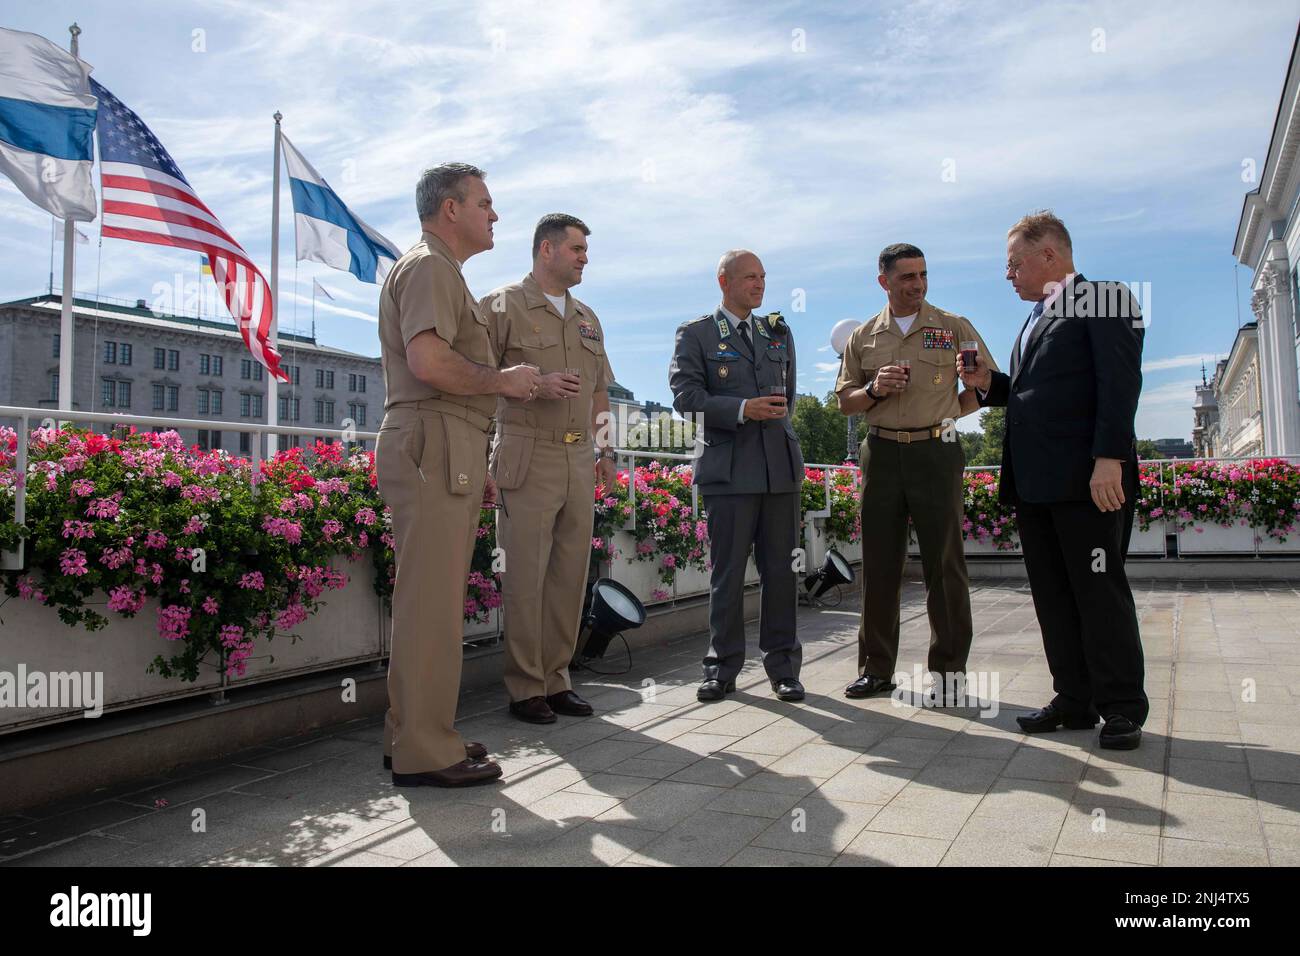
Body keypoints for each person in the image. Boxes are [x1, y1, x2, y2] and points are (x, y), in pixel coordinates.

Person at [376, 162, 541, 787]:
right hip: (434, 438)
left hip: (445, 443)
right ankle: (425, 750)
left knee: (428, 600)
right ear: (451, 209)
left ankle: (413, 733)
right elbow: (428, 361)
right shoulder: (429, 267)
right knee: (432, 606)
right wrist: (502, 381)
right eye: (484, 204)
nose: (494, 215)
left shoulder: (437, 271)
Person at [959, 210, 1146, 750]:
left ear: (1050, 254)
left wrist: (1109, 457)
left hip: (1090, 481)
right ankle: (1074, 699)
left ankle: (1122, 708)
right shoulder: (1039, 314)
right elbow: (1038, 391)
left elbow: (1119, 383)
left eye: (1014, 262)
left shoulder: (1103, 297)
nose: (1008, 274)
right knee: (1054, 596)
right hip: (1037, 485)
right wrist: (990, 384)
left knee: (1099, 593)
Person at [834, 243, 993, 703]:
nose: (917, 284)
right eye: (906, 277)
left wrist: (949, 414)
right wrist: (874, 388)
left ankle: (948, 675)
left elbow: (985, 385)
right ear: (884, 281)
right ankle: (876, 670)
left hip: (937, 453)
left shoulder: (953, 327)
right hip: (881, 455)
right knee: (880, 565)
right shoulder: (863, 337)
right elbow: (845, 401)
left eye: (922, 274)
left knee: (945, 565)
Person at [482, 214, 617, 724]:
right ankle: (525, 688)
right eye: (577, 248)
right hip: (526, 452)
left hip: (579, 457)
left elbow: (600, 390)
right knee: (524, 578)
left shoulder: (587, 317)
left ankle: (557, 680)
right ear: (546, 249)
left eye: (586, 249)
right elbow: (478, 379)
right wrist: (534, 385)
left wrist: (606, 452)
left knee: (567, 576)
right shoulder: (501, 306)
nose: (585, 257)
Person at [668, 249, 805, 703]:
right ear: (723, 281)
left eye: (763, 276)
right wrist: (743, 409)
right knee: (726, 575)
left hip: (778, 472)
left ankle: (783, 668)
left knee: (781, 573)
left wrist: (765, 411)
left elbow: (788, 395)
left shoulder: (777, 332)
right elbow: (685, 396)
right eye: (750, 277)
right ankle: (721, 669)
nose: (759, 284)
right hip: (728, 474)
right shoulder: (697, 333)